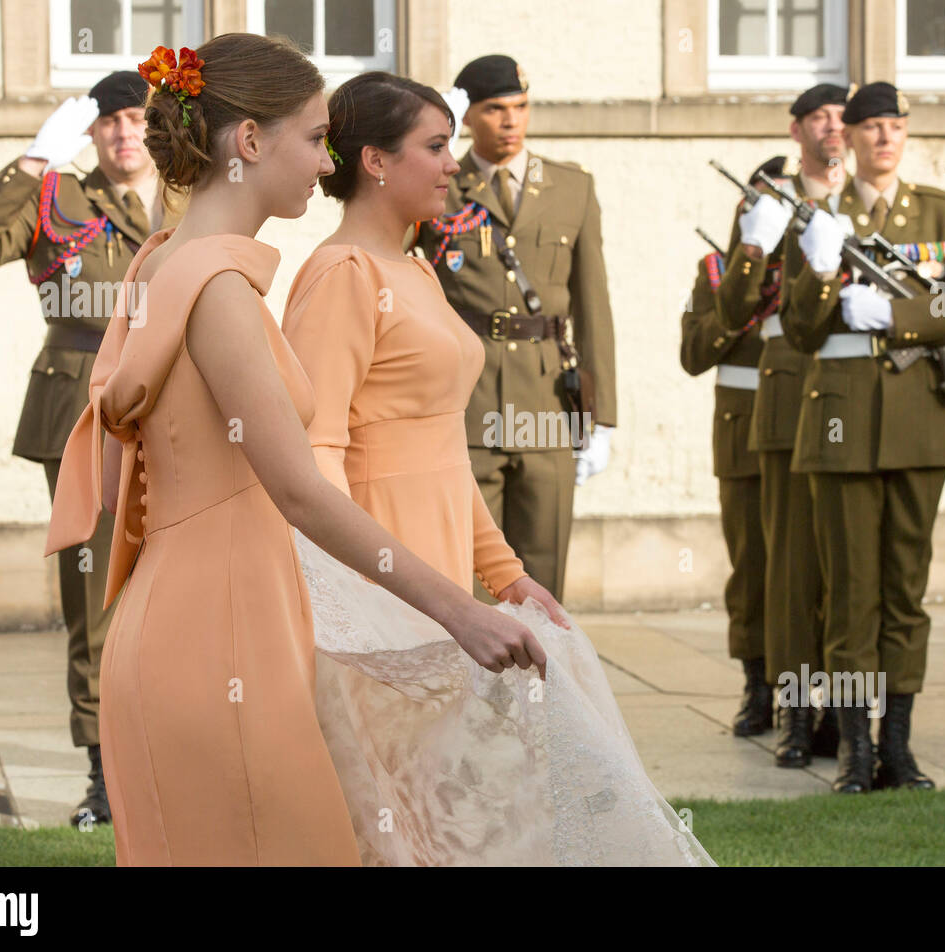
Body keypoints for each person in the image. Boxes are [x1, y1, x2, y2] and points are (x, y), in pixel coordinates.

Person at [43, 34, 550, 865]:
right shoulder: (219, 292)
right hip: (226, 640)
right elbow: (303, 492)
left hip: (179, 629)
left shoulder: (160, 262)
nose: (326, 164)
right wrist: (459, 611)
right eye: (315, 138)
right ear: (249, 142)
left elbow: (112, 482)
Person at [281, 71, 713, 866]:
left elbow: (443, 445)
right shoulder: (343, 273)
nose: (454, 164)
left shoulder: (413, 270)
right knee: (385, 820)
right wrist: (363, 601)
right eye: (437, 147)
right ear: (375, 161)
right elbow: (317, 453)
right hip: (385, 575)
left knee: (451, 810)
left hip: (437, 562)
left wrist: (506, 575)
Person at [0, 69, 185, 827]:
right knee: (97, 599)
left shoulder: (190, 197)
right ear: (90, 132)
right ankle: (104, 774)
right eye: (108, 122)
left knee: (184, 592)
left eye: (135, 119)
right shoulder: (59, 198)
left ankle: (176, 757)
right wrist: (31, 162)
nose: (123, 134)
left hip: (182, 407)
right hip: (85, 413)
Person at [781, 82, 945, 793]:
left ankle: (898, 746)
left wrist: (897, 318)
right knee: (848, 596)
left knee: (905, 591)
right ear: (848, 137)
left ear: (906, 133)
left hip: (918, 422)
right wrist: (816, 265)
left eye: (894, 126)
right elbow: (801, 331)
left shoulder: (938, 211)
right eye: (869, 127)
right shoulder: (816, 215)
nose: (882, 138)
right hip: (838, 423)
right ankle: (853, 750)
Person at [410, 54, 616, 603]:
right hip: (467, 399)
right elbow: (388, 249)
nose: (510, 121)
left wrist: (605, 418)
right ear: (468, 117)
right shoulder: (439, 186)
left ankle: (545, 689)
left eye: (520, 108)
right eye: (494, 109)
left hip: (547, 401)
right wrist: (435, 145)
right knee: (470, 567)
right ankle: (478, 689)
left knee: (544, 567)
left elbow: (593, 305)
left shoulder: (573, 188)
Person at [715, 83, 851, 763]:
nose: (835, 126)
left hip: (860, 402)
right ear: (797, 129)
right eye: (821, 117)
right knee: (793, 569)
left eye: (844, 117)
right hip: (790, 394)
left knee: (849, 571)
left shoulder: (877, 201)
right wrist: (756, 242)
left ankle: (848, 717)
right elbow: (732, 305)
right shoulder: (766, 201)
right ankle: (796, 710)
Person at [678, 187, 768, 741]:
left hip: (809, 435)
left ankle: (808, 692)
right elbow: (692, 354)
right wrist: (734, 313)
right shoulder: (714, 270)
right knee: (753, 568)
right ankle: (757, 684)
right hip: (744, 440)